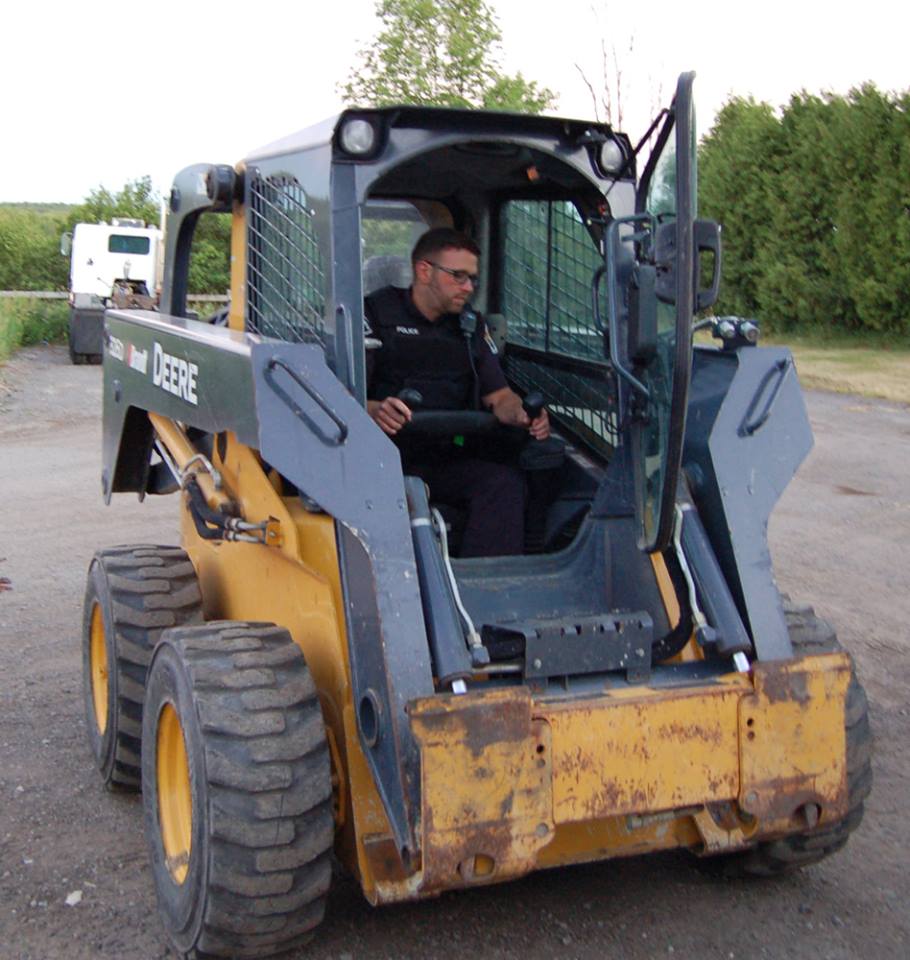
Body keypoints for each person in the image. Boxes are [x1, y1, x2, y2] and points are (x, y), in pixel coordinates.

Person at [365, 228, 549, 558]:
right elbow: (339, 396)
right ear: (424, 271)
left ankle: (488, 589)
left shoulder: (470, 326)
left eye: (472, 279)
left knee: (504, 485)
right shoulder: (375, 314)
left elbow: (500, 397)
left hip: (445, 457)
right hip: (379, 461)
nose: (468, 287)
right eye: (458, 276)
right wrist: (374, 409)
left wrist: (522, 413)